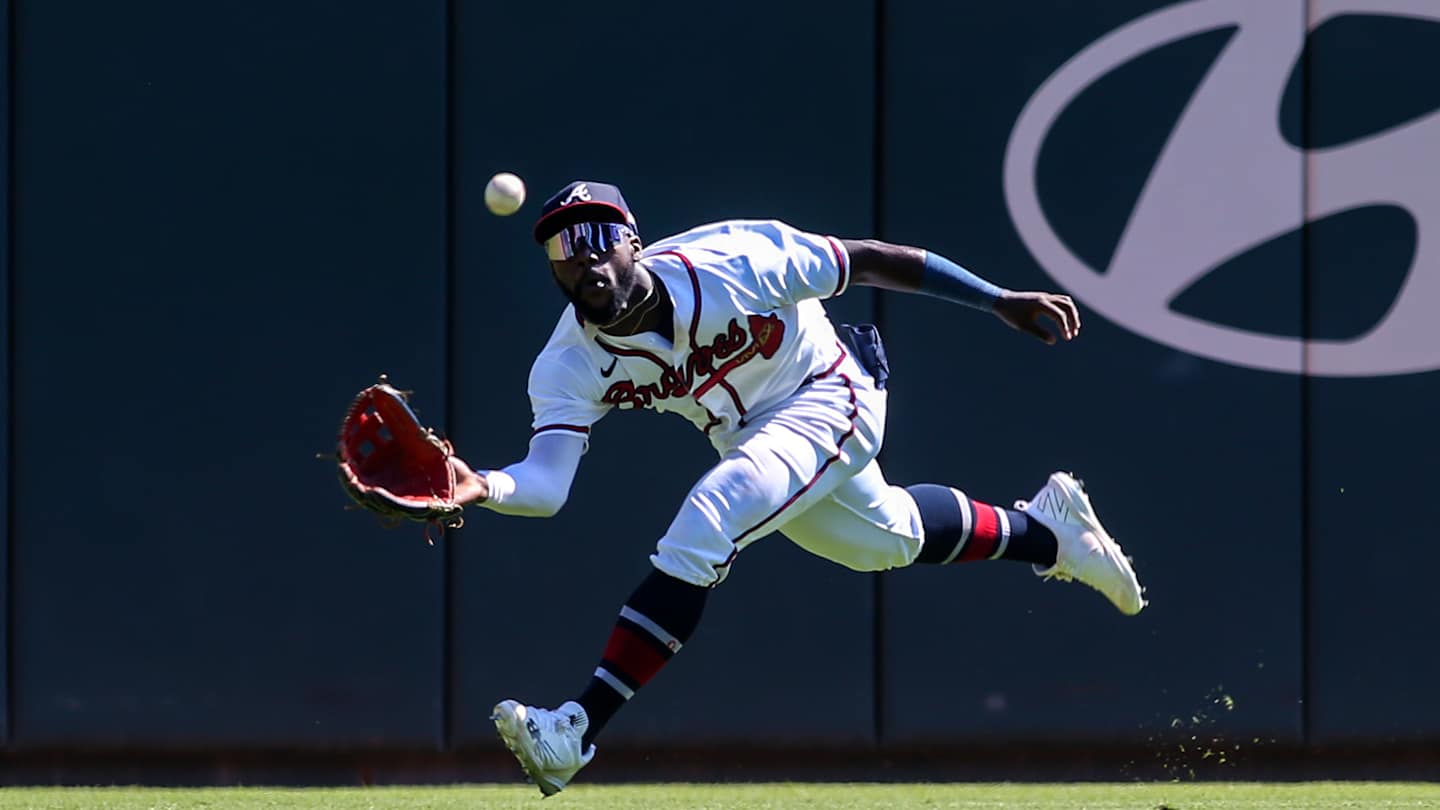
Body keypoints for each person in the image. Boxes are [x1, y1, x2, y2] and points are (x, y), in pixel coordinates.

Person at [449, 180, 1146, 796]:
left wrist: (997, 300)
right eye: (564, 249)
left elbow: (866, 259)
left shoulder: (731, 260)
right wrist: (481, 485)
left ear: (633, 240)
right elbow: (547, 484)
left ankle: (575, 727)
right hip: (748, 437)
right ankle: (1051, 533)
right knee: (886, 539)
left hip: (830, 390)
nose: (585, 258)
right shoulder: (567, 363)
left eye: (598, 236)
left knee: (709, 518)